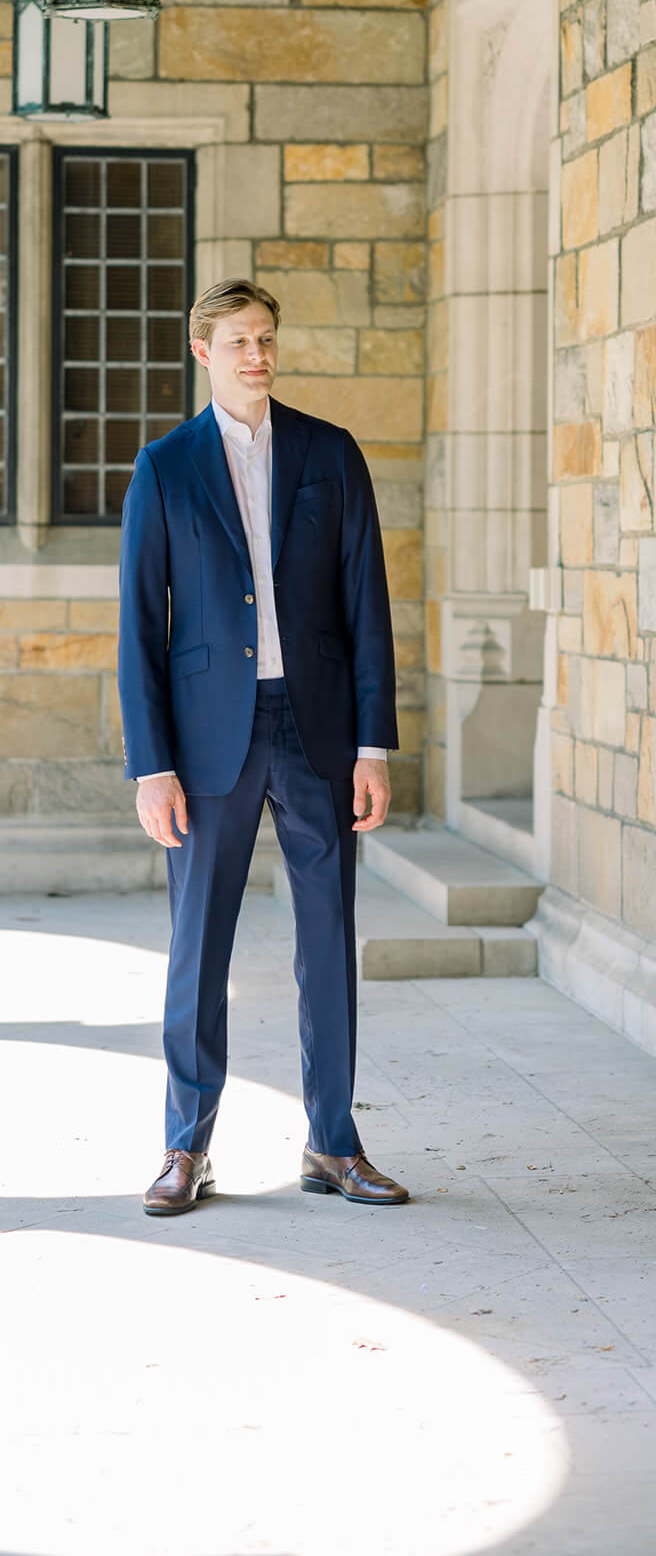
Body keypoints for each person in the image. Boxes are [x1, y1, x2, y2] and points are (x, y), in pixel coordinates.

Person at [118, 279, 409, 1216]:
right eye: (240, 341)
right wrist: (150, 764)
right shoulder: (163, 468)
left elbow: (368, 607)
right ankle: (184, 1146)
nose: (258, 355)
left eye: (267, 339)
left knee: (328, 938)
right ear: (202, 351)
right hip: (207, 743)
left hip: (317, 729)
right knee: (198, 944)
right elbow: (139, 627)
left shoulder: (330, 454)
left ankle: (333, 1145)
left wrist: (374, 743)